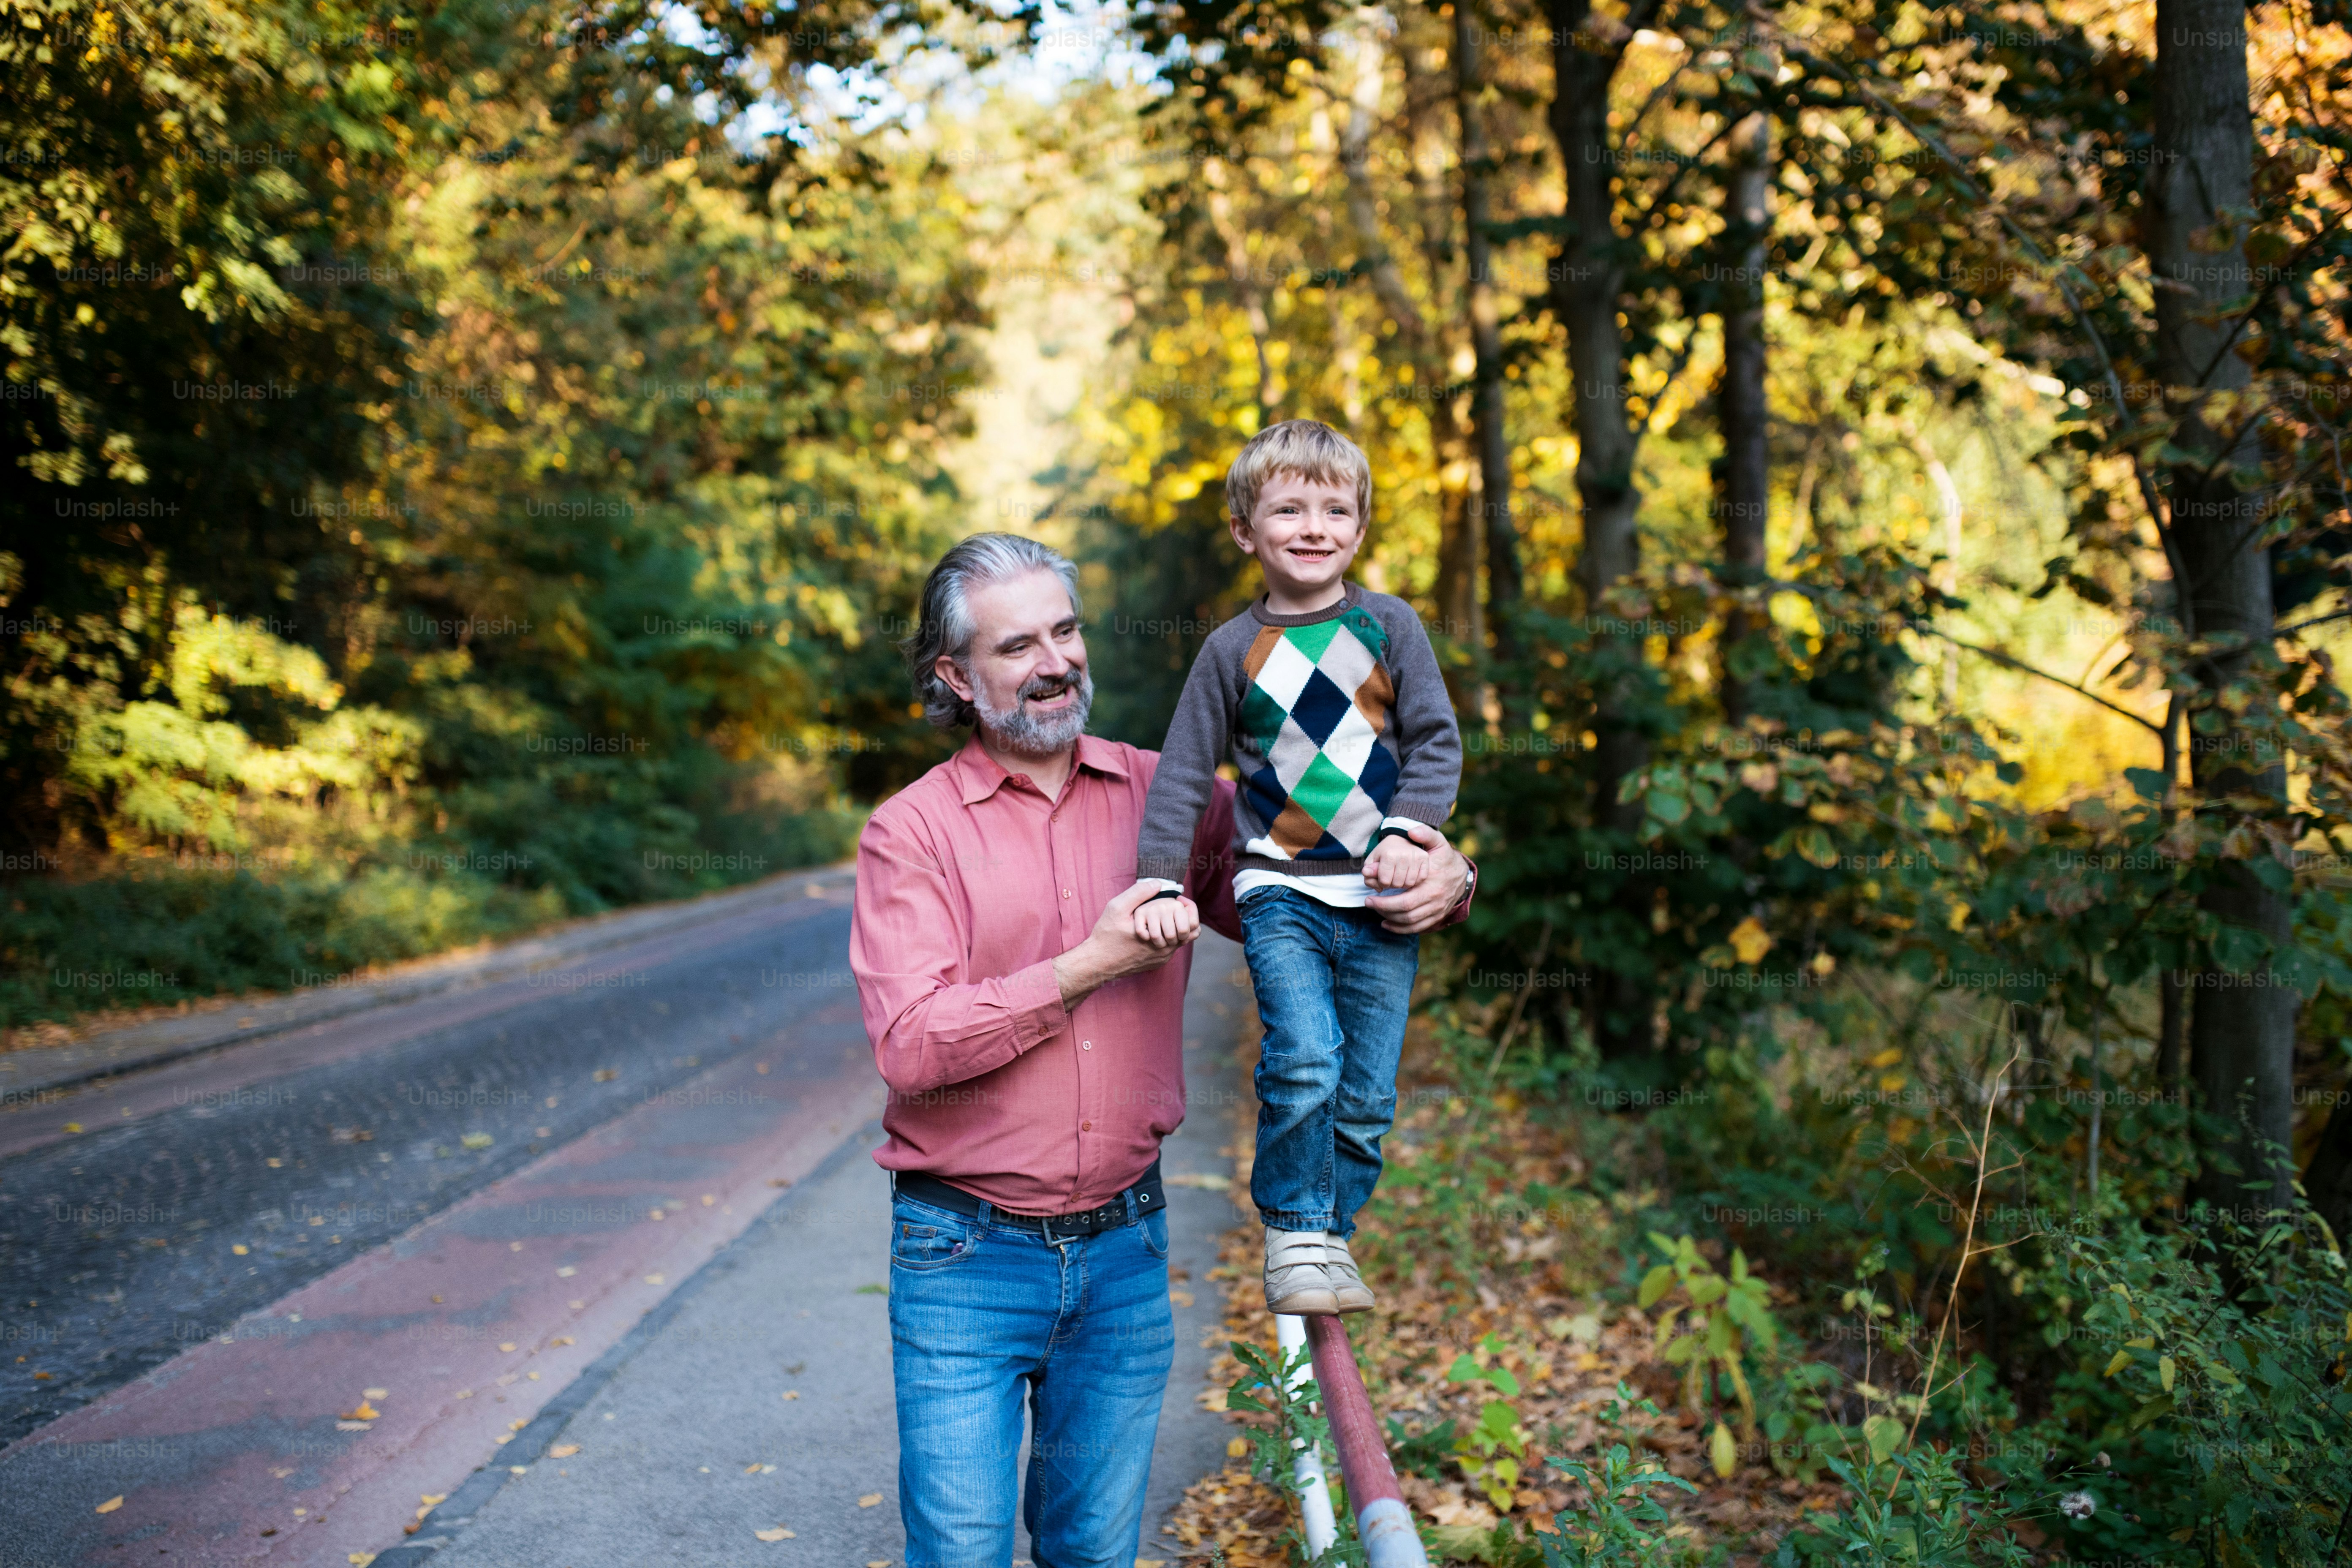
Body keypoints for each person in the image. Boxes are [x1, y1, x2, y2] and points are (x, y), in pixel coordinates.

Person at [849, 532, 1475, 1568]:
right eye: (1019, 645)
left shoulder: (1166, 796)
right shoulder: (910, 833)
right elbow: (913, 1047)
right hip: (963, 1255)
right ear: (956, 676)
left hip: (1126, 1254)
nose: (1058, 660)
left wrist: (1445, 880)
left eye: (1067, 629)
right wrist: (1083, 965)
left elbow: (1319, 891)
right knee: (959, 1549)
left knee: (1094, 1551)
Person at [1130, 419, 1462, 1318]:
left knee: (1366, 1097)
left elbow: (1435, 742)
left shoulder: (1388, 625)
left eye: (1335, 508)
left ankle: (1331, 1236)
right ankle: (1291, 1227)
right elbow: (1186, 772)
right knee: (1307, 1056)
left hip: (1382, 893)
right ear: (1247, 529)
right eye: (1288, 508)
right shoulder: (1229, 649)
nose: (1314, 525)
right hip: (1279, 885)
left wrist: (1413, 830)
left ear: (1359, 528)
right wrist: (1161, 877)